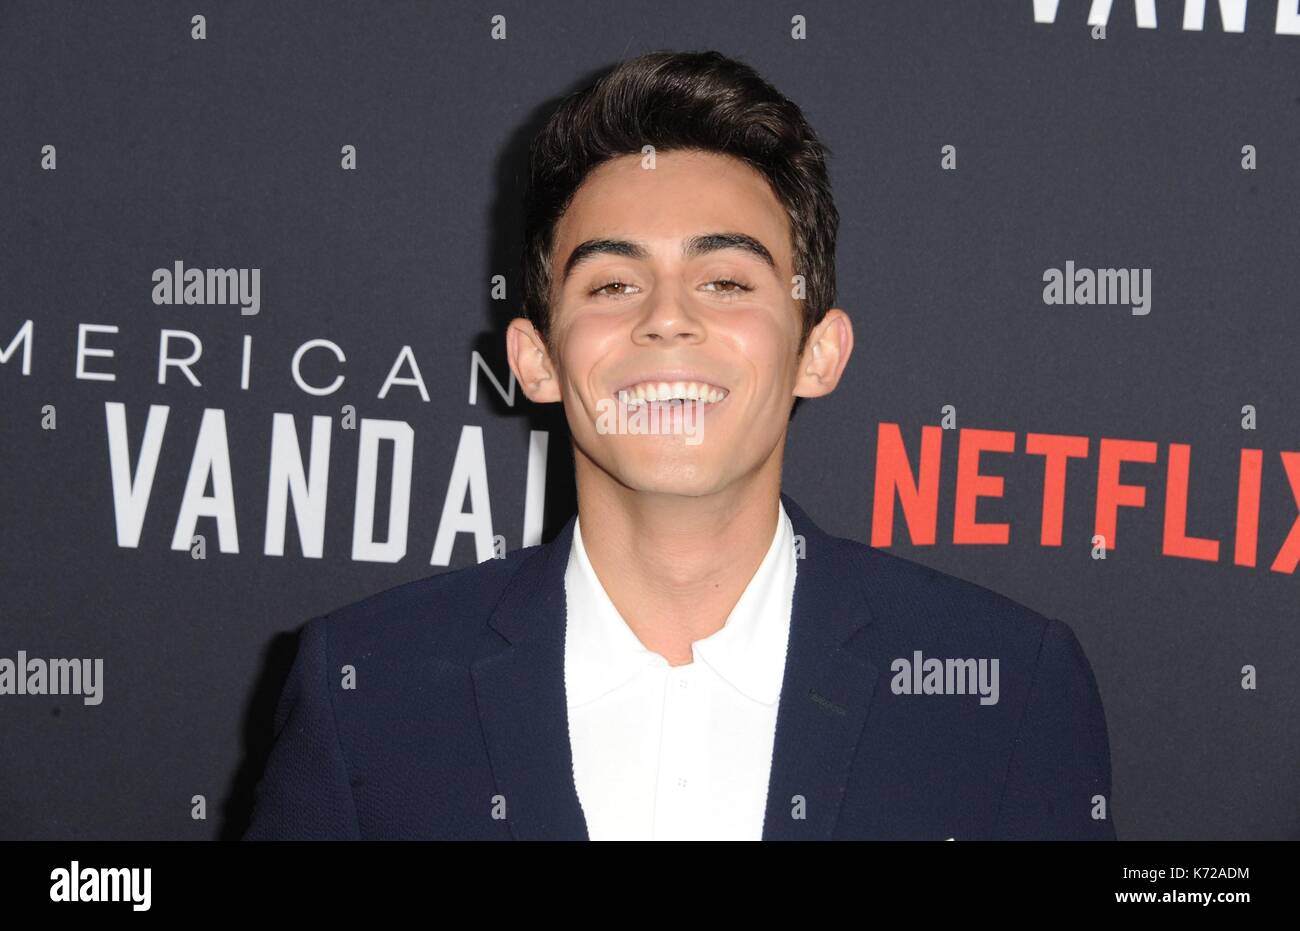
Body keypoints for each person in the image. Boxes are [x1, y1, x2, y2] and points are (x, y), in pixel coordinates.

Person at [244, 49, 1115, 841]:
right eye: (613, 281)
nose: (666, 317)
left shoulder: (1004, 687)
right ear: (536, 358)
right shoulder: (368, 688)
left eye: (727, 280)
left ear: (820, 349)